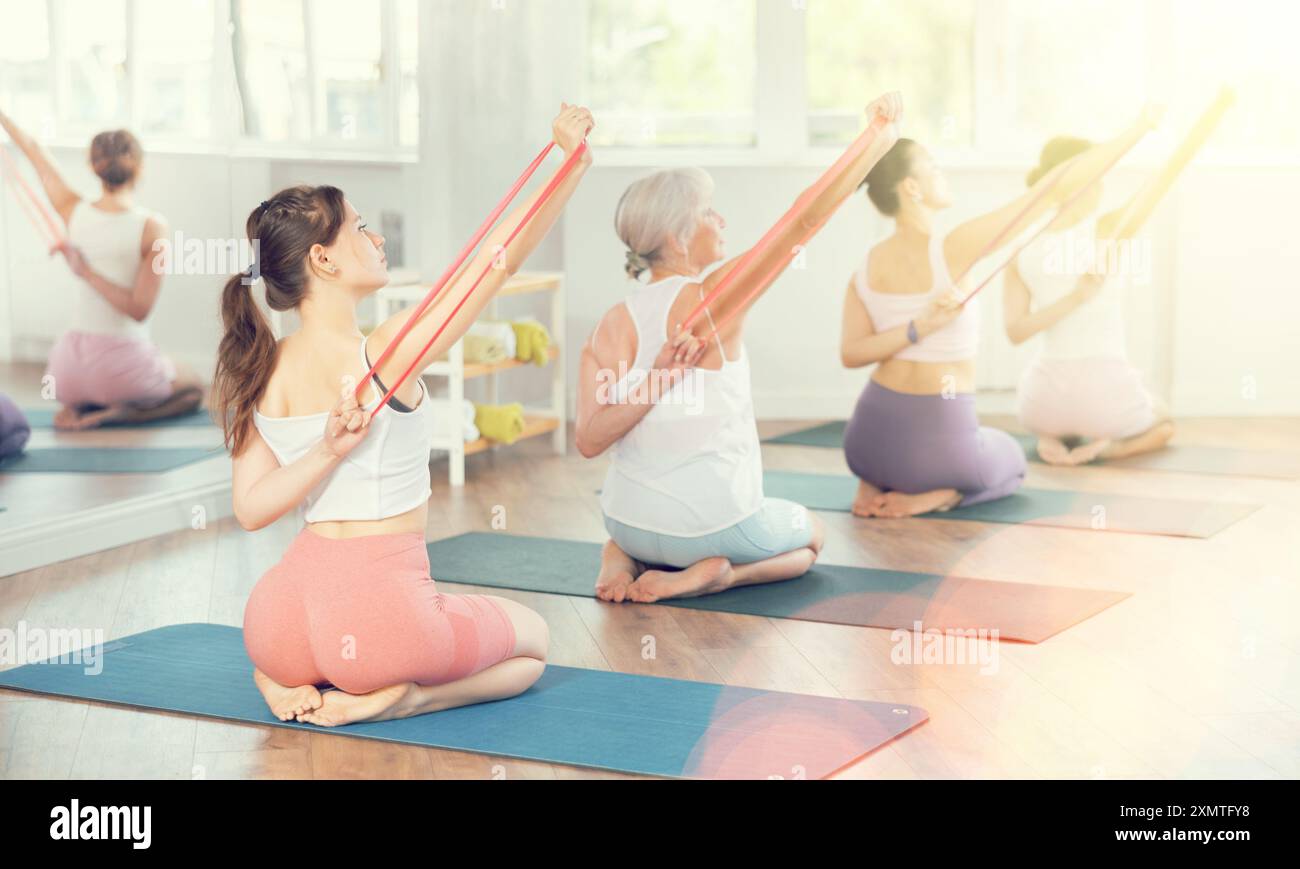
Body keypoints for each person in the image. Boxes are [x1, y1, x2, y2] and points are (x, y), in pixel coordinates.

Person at [216, 105, 593, 726]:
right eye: (361, 230)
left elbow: (252, 511)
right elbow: (495, 264)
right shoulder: (383, 350)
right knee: (533, 645)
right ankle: (408, 697)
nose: (378, 239)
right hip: (379, 623)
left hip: (279, 618)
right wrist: (571, 162)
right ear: (324, 260)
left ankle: (278, 680)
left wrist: (324, 452)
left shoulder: (256, 368)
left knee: (320, 644)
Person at [577, 93, 903, 603]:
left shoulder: (606, 327)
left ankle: (622, 556)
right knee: (812, 536)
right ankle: (723, 575)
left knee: (638, 527)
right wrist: (874, 142)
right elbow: (801, 221)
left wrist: (657, 378)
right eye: (709, 213)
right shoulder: (712, 300)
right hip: (712, 525)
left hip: (626, 518)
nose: (722, 221)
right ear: (678, 238)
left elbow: (589, 440)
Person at [839, 105, 1161, 516]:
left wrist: (917, 329)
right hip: (937, 452)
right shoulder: (952, 247)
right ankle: (941, 494)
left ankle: (877, 484)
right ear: (912, 189)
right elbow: (1051, 188)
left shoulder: (864, 268)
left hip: (865, 443)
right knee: (1010, 461)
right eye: (933, 168)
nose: (943, 174)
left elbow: (852, 354)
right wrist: (1137, 130)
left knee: (967, 441)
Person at [0, 109, 203, 429]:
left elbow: (35, 151)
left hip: (65, 370)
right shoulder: (152, 227)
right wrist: (87, 273)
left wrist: (4, 116)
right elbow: (139, 310)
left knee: (107, 377)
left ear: (94, 167)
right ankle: (121, 411)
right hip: (122, 367)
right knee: (194, 387)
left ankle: (83, 402)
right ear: (139, 167)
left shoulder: (71, 210)